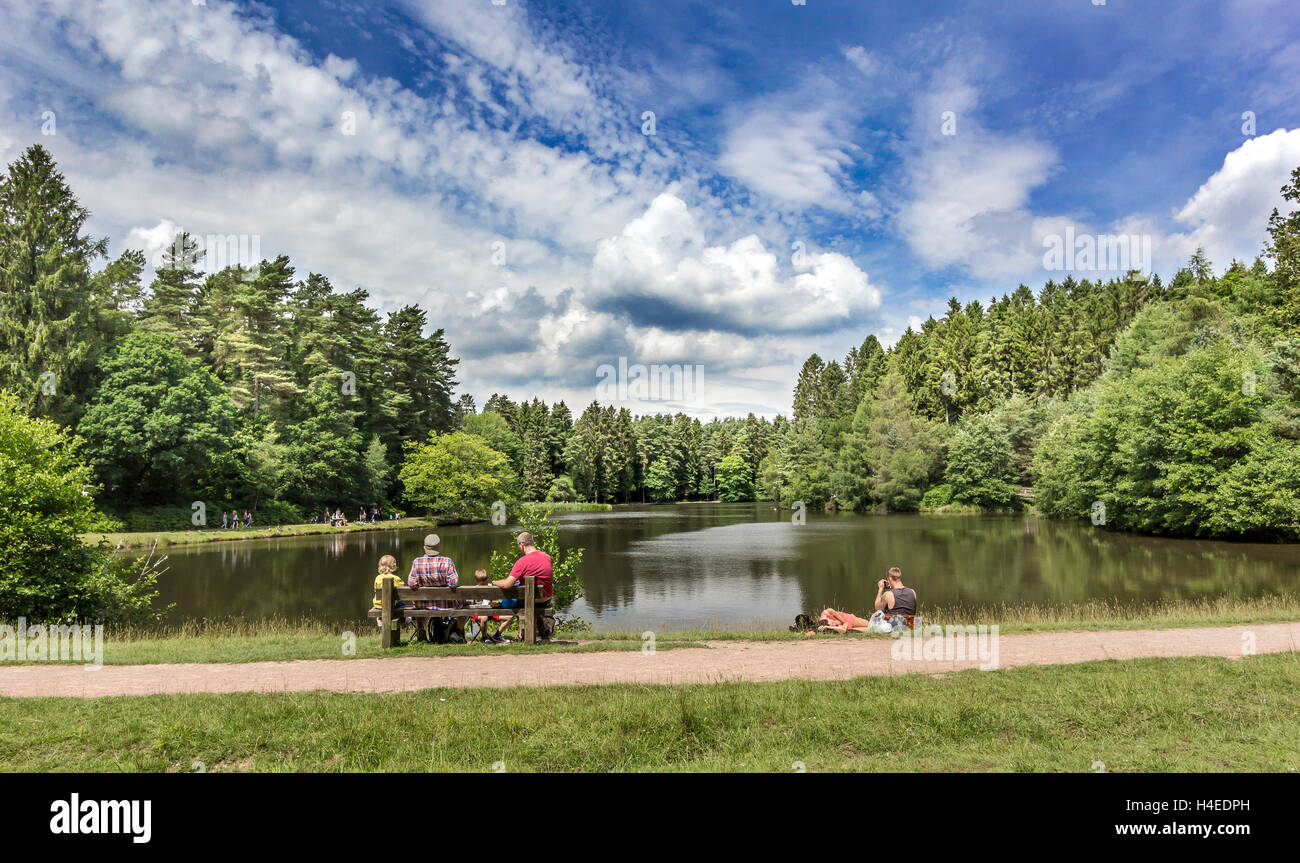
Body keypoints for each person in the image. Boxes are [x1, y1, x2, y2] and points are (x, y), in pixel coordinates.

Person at [492, 531, 553, 637]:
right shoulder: (547, 557)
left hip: (530, 600)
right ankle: (523, 633)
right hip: (545, 599)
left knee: (509, 600)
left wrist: (494, 582)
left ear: (522, 544)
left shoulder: (522, 561)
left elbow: (507, 584)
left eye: (518, 545)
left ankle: (519, 633)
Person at [408, 534, 462, 640]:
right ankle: (457, 631)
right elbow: (454, 583)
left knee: (418, 600)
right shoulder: (447, 561)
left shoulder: (417, 562)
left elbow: (411, 583)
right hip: (446, 605)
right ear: (439, 547)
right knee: (466, 603)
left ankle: (421, 629)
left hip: (423, 605)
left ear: (424, 547)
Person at [373, 554, 405, 629]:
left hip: (379, 604)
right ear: (393, 566)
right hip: (392, 604)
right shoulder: (396, 578)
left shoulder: (377, 578)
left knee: (389, 602)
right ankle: (404, 619)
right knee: (401, 603)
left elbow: (375, 590)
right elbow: (402, 590)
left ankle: (380, 618)